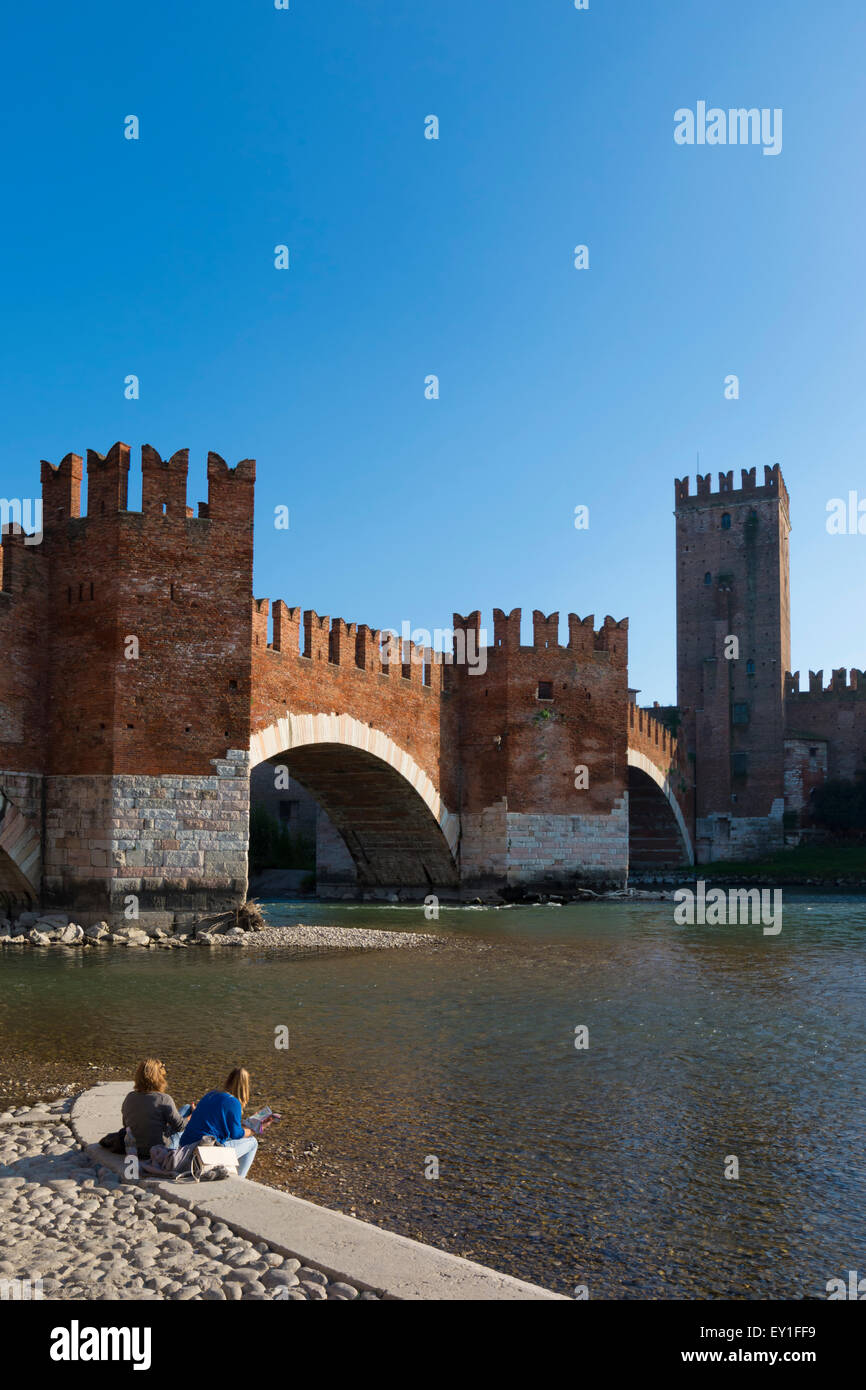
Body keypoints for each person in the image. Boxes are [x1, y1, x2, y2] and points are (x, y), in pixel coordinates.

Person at [173, 1065, 258, 1178]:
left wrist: (245, 1126)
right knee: (253, 1142)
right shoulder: (234, 1102)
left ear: (228, 1080)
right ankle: (239, 1179)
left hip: (186, 1147)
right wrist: (255, 1129)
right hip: (204, 1153)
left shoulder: (211, 1094)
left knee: (226, 1137)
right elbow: (236, 1134)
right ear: (245, 1087)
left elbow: (221, 1126)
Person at [121, 1059, 189, 1158]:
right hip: (159, 1150)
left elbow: (125, 1124)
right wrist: (192, 1116)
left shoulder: (129, 1097)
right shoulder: (163, 1099)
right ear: (159, 1078)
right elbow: (180, 1127)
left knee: (185, 1108)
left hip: (135, 1149)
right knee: (187, 1114)